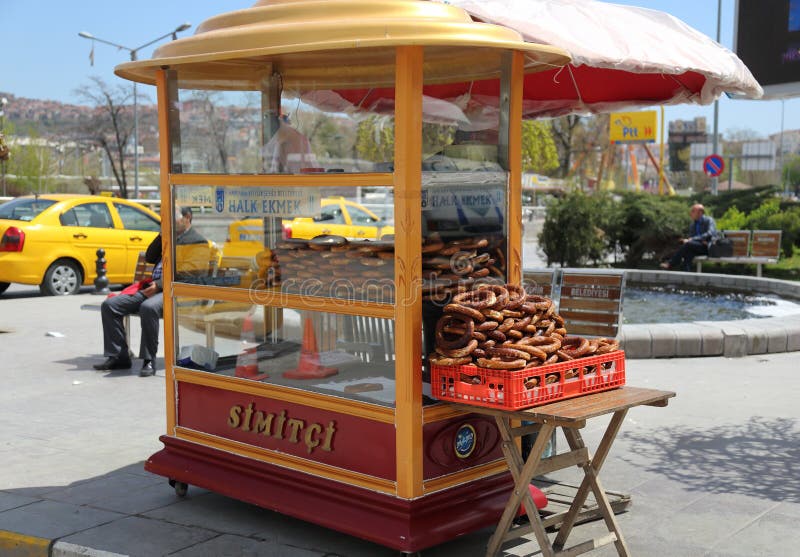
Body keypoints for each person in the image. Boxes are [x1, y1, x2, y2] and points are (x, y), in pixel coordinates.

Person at [94, 207, 206, 376]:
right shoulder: (168, 236)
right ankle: (119, 356)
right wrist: (162, 235)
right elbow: (150, 257)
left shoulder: (197, 241)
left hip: (178, 292)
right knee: (110, 305)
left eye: (172, 217)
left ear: (187, 217)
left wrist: (160, 285)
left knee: (148, 307)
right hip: (154, 287)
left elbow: (190, 273)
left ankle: (148, 360)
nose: (168, 220)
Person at [660, 203, 718, 272]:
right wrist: (693, 240)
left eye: (693, 211)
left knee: (688, 244)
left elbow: (710, 233)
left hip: (707, 247)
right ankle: (686, 274)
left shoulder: (709, 220)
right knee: (688, 253)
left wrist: (694, 239)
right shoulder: (693, 225)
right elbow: (691, 237)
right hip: (697, 246)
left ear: (700, 212)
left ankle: (671, 263)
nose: (691, 213)